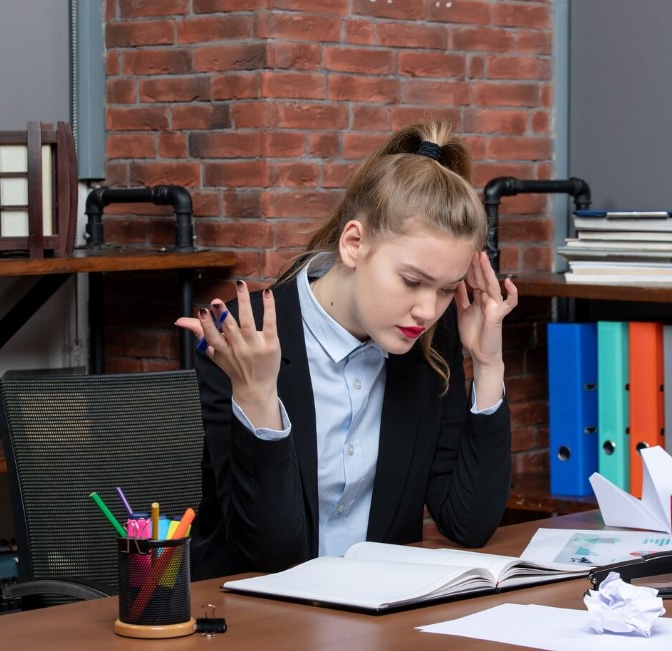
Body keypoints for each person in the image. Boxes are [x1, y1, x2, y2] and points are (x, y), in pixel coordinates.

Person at [175, 121, 519, 580]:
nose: (426, 310)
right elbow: (269, 552)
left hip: (378, 614)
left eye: (446, 290)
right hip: (253, 621)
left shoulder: (433, 343)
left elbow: (468, 523)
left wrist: (488, 363)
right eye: (413, 281)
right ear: (354, 243)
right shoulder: (244, 339)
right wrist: (258, 397)